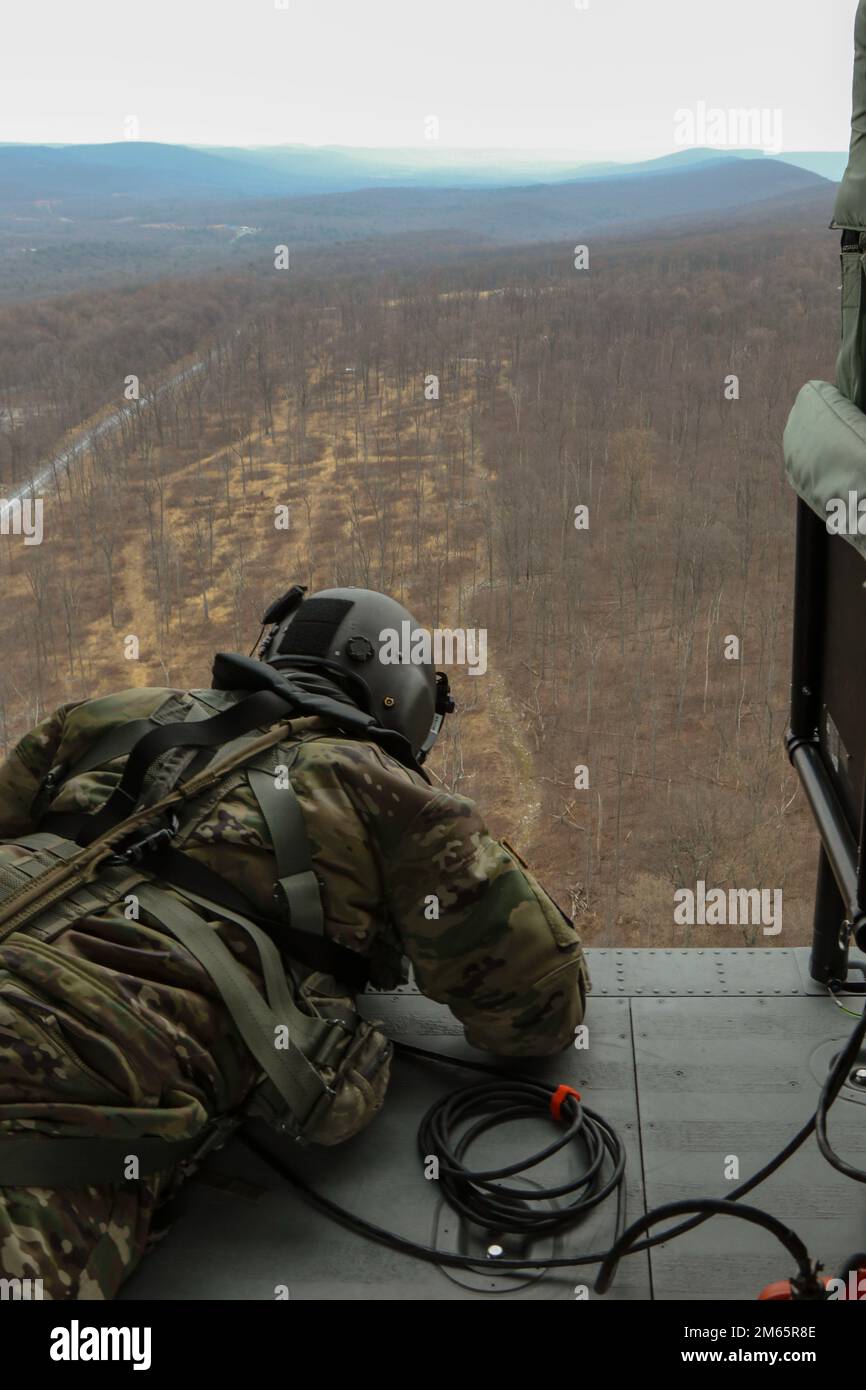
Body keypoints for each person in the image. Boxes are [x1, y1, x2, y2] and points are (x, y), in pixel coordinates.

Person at [0, 585, 589, 1299]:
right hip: (69, 1067)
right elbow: (536, 1011)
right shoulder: (393, 796)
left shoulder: (105, 715)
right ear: (403, 699)